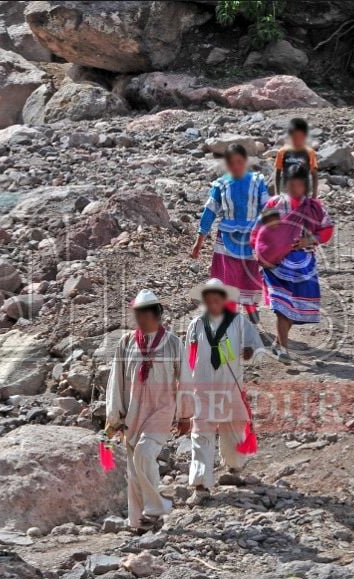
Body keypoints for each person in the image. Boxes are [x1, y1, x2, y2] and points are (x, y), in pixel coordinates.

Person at [179, 278, 264, 506]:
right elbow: (188, 357)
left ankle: (234, 468)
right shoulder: (196, 325)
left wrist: (250, 353)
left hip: (230, 388)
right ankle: (201, 486)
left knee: (233, 429)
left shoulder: (239, 322)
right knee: (200, 435)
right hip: (202, 390)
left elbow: (258, 348)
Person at [105, 290, 183, 530]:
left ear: (155, 314)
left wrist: (185, 414)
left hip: (161, 410)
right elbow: (116, 379)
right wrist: (114, 415)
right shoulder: (126, 343)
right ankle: (139, 522)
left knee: (144, 454)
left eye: (143, 314)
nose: (138, 319)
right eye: (136, 314)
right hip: (132, 412)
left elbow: (186, 380)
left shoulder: (173, 343)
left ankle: (156, 508)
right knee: (134, 468)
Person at [253, 164, 333, 362]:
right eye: (291, 184)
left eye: (299, 184)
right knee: (281, 306)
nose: (295, 188)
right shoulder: (275, 204)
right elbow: (259, 230)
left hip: (304, 265)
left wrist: (309, 240)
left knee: (292, 307)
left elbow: (327, 230)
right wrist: (260, 253)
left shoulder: (314, 207)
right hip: (277, 264)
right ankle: (283, 348)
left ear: (305, 185)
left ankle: (279, 342)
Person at [190, 144, 269, 322]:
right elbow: (210, 211)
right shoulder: (221, 184)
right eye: (231, 163)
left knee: (250, 274)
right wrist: (199, 241)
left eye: (239, 162)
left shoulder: (257, 182)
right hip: (226, 239)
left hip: (251, 238)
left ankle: (251, 310)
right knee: (228, 278)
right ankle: (231, 316)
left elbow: (267, 209)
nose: (236, 166)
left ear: (245, 162)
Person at [274, 117, 318, 197]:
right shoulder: (282, 152)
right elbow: (277, 174)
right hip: (286, 193)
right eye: (295, 136)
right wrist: (277, 193)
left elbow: (314, 175)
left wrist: (314, 195)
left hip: (304, 194)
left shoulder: (309, 152)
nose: (297, 139)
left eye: (300, 136)